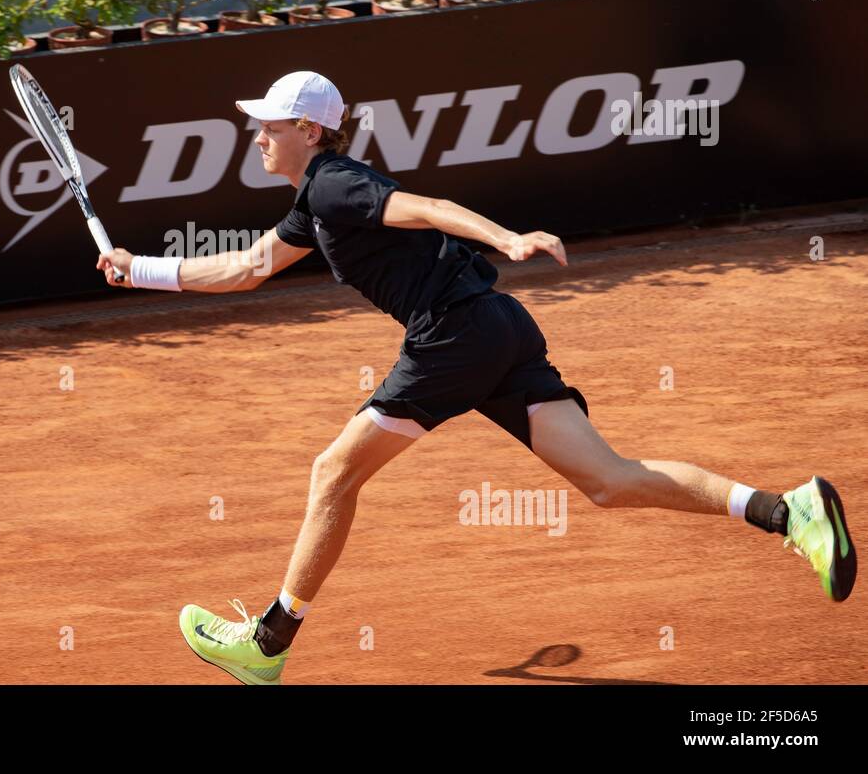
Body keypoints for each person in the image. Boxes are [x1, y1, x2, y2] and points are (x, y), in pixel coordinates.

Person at [95, 70, 856, 686]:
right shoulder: (314, 203)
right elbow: (244, 268)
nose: (258, 134)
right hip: (496, 328)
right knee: (609, 480)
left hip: (452, 335)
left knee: (333, 474)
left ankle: (268, 641)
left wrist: (507, 236)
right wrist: (143, 272)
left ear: (311, 131)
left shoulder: (332, 182)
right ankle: (787, 513)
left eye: (271, 124)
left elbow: (425, 207)